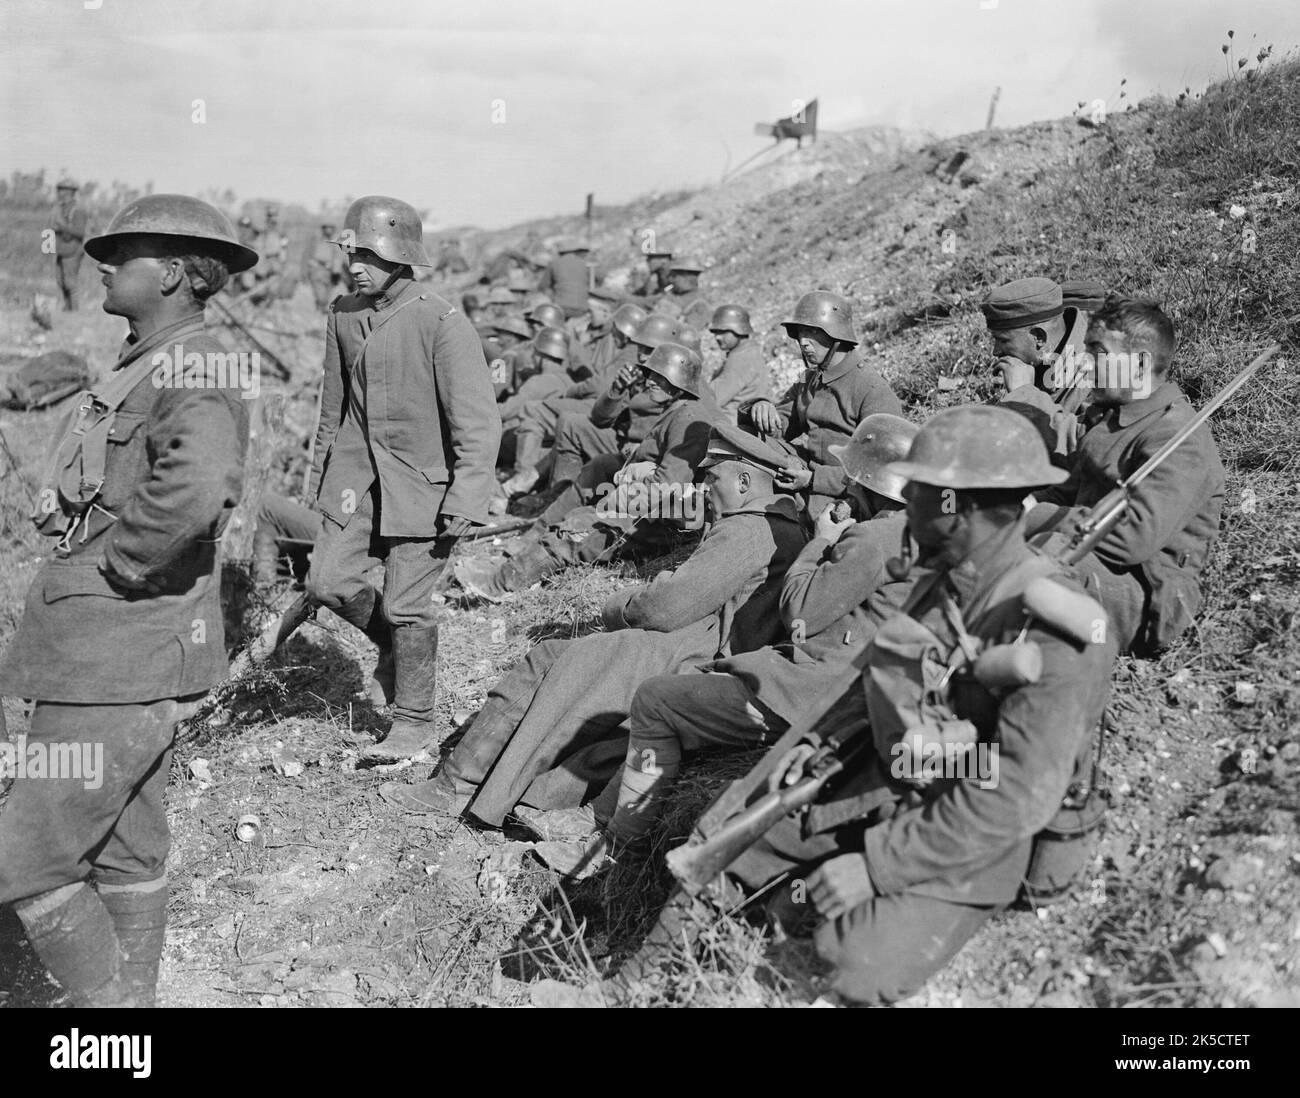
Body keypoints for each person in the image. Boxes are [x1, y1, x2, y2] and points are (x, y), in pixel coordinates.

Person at [600, 404, 1117, 1006]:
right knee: (731, 833)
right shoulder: (944, 577)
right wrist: (798, 764)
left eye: (918, 489)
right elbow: (871, 683)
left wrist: (876, 866)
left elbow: (1017, 791)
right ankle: (630, 990)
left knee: (846, 965)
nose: (906, 500)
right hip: (889, 777)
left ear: (957, 503)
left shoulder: (1052, 625)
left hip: (966, 827)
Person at [0, 194, 258, 1007]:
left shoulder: (196, 362)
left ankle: (104, 1024)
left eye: (124, 256)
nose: (103, 265)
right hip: (113, 651)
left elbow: (200, 486)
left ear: (175, 274)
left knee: (23, 856)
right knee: (124, 845)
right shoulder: (150, 357)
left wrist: (113, 565)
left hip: (117, 649)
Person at [530, 415, 918, 874]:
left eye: (851, 478)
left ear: (869, 483)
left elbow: (800, 612)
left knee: (658, 700)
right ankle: (592, 817)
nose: (843, 489)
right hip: (848, 688)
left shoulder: (874, 539)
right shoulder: (913, 535)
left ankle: (614, 845)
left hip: (818, 692)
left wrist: (820, 543)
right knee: (686, 685)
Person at [379, 425, 807, 833]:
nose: (705, 490)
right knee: (575, 675)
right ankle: (515, 792)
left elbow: (667, 607)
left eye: (712, 479)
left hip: (694, 649)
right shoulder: (777, 526)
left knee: (549, 659)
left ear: (746, 482)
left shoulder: (748, 531)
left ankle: (456, 785)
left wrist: (618, 608)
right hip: (708, 647)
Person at [306, 196, 501, 763]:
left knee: (408, 605)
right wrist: (323, 481)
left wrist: (467, 497)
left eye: (367, 254)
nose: (353, 265)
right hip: (357, 478)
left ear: (399, 255)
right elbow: (330, 410)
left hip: (423, 485)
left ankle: (414, 723)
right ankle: (395, 650)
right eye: (352, 253)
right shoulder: (343, 314)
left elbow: (476, 420)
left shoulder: (440, 320)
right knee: (327, 581)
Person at [1026, 298, 1226, 656]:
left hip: (1143, 594)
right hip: (1084, 557)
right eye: (1086, 351)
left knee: (1025, 574)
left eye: (1098, 354)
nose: (1085, 365)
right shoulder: (1111, 417)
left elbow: (1132, 539)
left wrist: (1033, 517)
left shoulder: (1178, 438)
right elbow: (1065, 494)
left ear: (1140, 364)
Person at [452, 340, 723, 601]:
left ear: (678, 383)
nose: (650, 380)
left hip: (657, 524)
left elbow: (666, 487)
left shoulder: (688, 419)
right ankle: (507, 570)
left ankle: (498, 586)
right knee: (579, 515)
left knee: (573, 531)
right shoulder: (677, 410)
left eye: (659, 377)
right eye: (651, 374)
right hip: (648, 513)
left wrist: (614, 502)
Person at [743, 290, 902, 517]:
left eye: (813, 332)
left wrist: (813, 480)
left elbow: (882, 469)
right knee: (743, 442)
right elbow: (781, 425)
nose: (803, 342)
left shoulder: (870, 388)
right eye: (800, 333)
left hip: (845, 492)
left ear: (836, 335)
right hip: (805, 474)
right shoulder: (811, 378)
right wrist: (760, 407)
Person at [501, 303, 648, 499]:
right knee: (564, 426)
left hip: (608, 409)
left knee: (535, 411)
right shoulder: (625, 350)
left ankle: (524, 478)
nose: (612, 334)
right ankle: (531, 483)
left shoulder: (631, 352)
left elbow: (599, 384)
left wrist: (572, 391)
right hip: (612, 409)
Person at [981, 277, 1090, 462]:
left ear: (1039, 337)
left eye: (1003, 340)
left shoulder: (1097, 374)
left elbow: (1086, 454)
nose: (995, 351)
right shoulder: (1041, 360)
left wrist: (1024, 394)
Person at [706, 305, 767, 422]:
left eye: (723, 332)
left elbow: (712, 399)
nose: (717, 337)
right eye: (715, 332)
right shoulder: (748, 351)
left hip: (732, 425)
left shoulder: (742, 358)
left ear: (739, 330)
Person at [51, 178, 88, 311]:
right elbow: (51, 227)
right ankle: (67, 308)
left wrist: (63, 227)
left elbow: (80, 232)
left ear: (70, 192)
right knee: (60, 281)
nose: (60, 193)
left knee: (70, 283)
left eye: (63, 190)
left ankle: (74, 311)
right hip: (61, 250)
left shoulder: (78, 210)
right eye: (59, 190)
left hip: (73, 251)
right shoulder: (59, 208)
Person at [537, 239, 592, 318]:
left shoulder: (554, 263)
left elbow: (542, 286)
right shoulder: (583, 264)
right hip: (582, 309)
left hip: (561, 307)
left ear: (560, 252)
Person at [653, 258, 712, 329]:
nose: (671, 280)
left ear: (687, 277)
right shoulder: (671, 294)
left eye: (674, 276)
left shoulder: (699, 305)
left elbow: (690, 334)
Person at [307, 219, 349, 311]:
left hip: (330, 271)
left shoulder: (337, 241)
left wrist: (336, 268)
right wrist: (311, 263)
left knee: (328, 292)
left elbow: (340, 256)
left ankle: (322, 308)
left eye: (330, 228)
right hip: (317, 269)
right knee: (319, 293)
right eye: (326, 228)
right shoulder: (316, 239)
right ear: (323, 229)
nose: (328, 230)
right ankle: (320, 305)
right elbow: (309, 253)